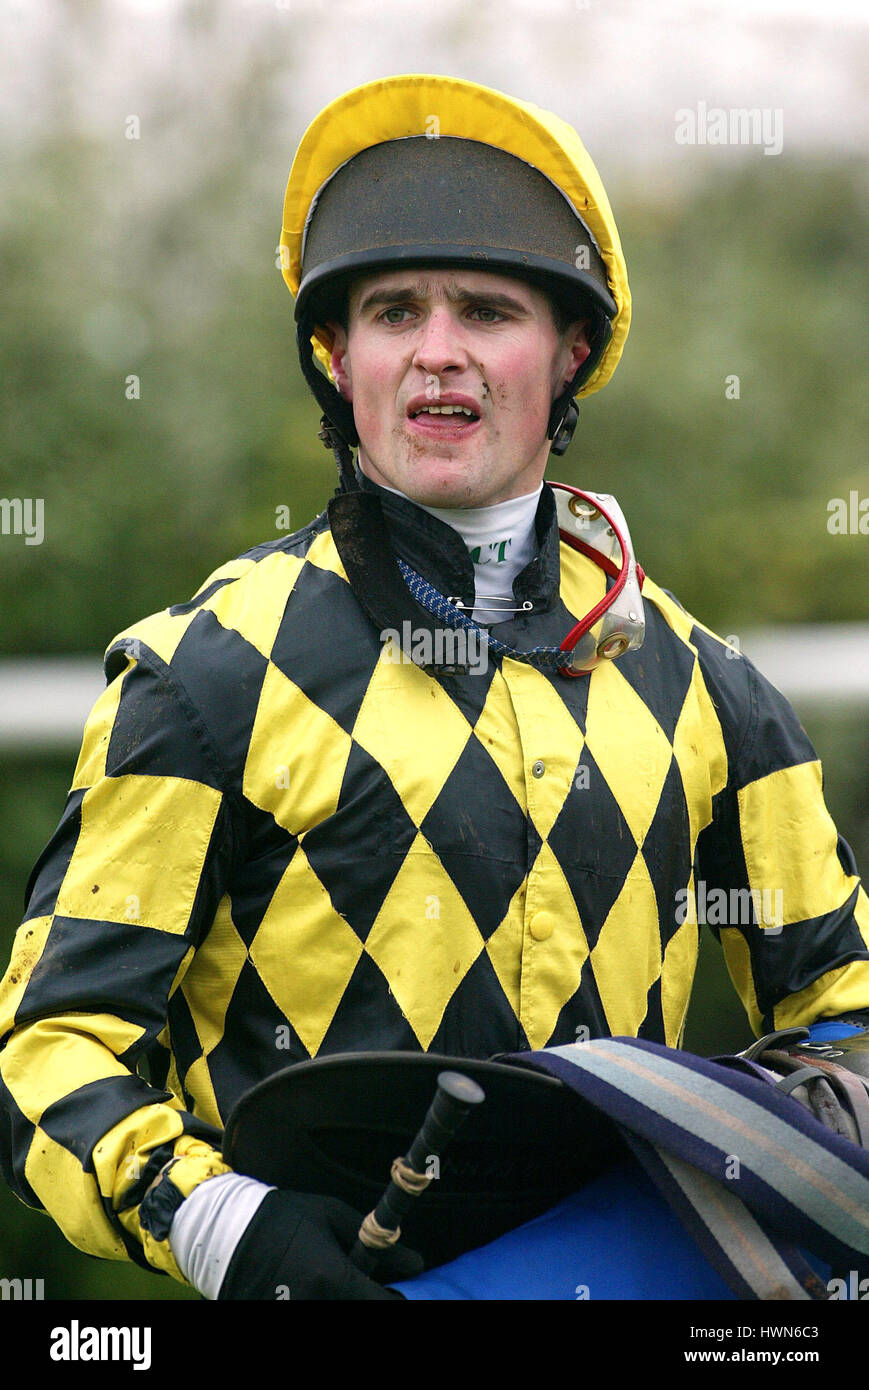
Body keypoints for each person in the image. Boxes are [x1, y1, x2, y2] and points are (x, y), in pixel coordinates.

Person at [1, 74, 868, 1302]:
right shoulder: (206, 671)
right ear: (335, 356)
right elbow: (49, 1048)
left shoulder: (710, 686)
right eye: (393, 310)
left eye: (486, 309)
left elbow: (846, 1011)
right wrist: (224, 1229)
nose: (437, 353)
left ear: (569, 352)